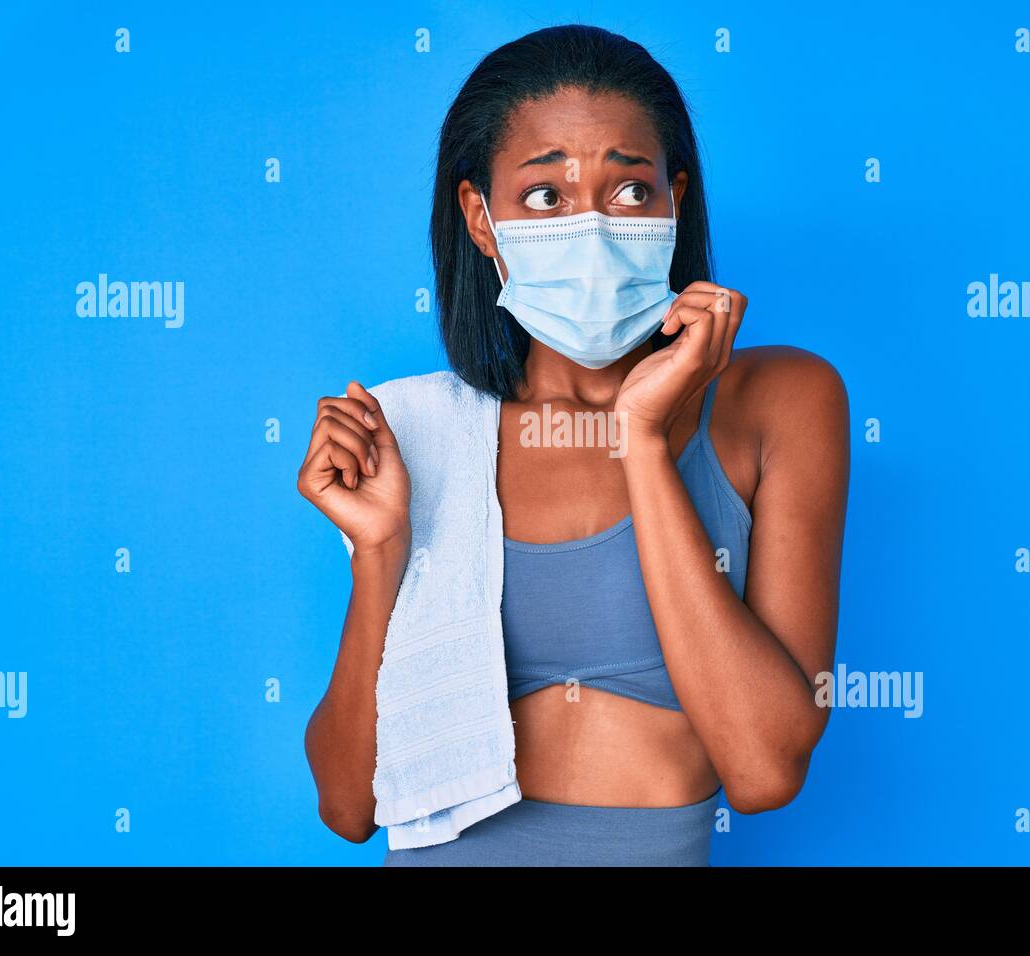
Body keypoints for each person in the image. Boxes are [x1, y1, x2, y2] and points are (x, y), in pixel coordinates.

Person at [298, 24, 850, 866]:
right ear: (481, 219)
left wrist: (640, 439)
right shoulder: (421, 436)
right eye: (547, 198)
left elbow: (766, 767)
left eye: (630, 192)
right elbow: (348, 805)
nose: (593, 228)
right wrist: (380, 551)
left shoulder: (782, 402)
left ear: (675, 199)